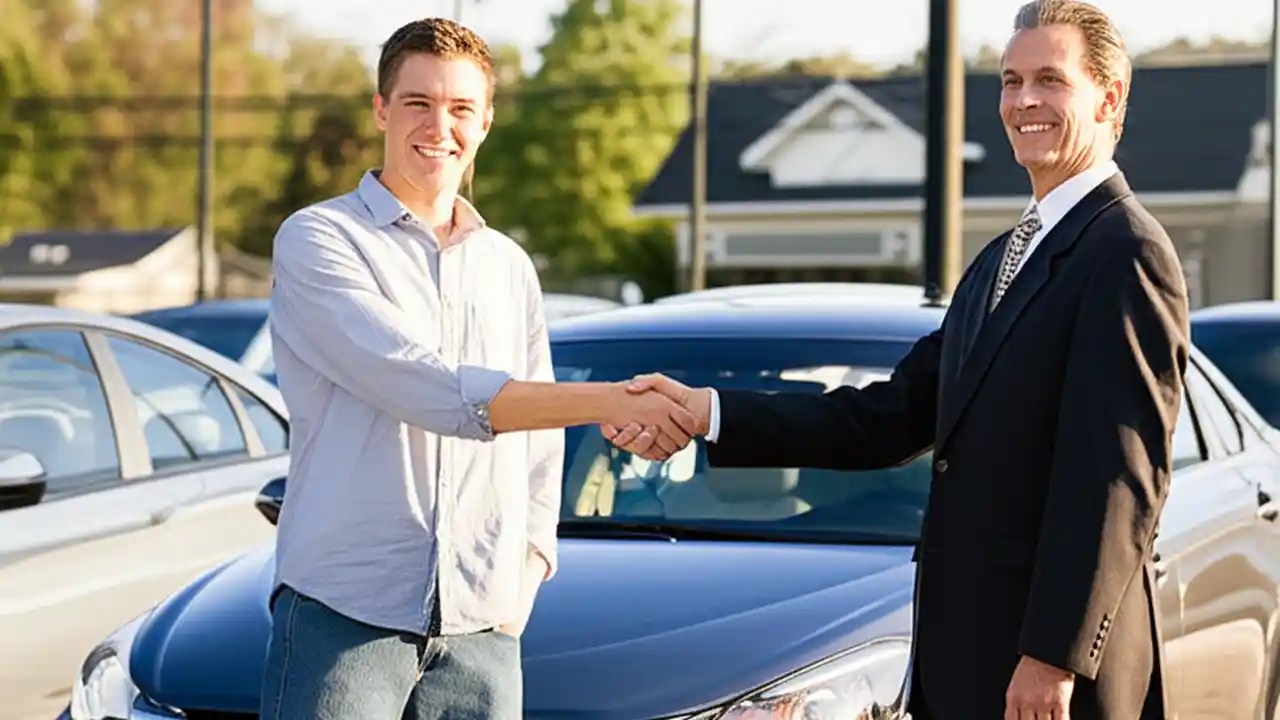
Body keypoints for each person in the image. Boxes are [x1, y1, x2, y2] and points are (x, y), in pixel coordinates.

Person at [605, 2, 1189, 718]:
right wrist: (708, 412)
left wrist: (1052, 659)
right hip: (968, 656)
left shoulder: (1126, 251)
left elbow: (1117, 479)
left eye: (1049, 80)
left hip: (1046, 678)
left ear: (1110, 96)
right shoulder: (999, 262)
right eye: (1009, 81)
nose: (1023, 101)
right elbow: (884, 417)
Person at [260, 17, 695, 720]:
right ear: (380, 110)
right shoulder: (319, 240)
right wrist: (612, 400)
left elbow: (539, 451)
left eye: (461, 108)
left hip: (484, 633)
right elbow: (423, 386)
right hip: (344, 616)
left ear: (485, 122)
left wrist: (524, 574)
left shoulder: (508, 267)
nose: (440, 126)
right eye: (417, 103)